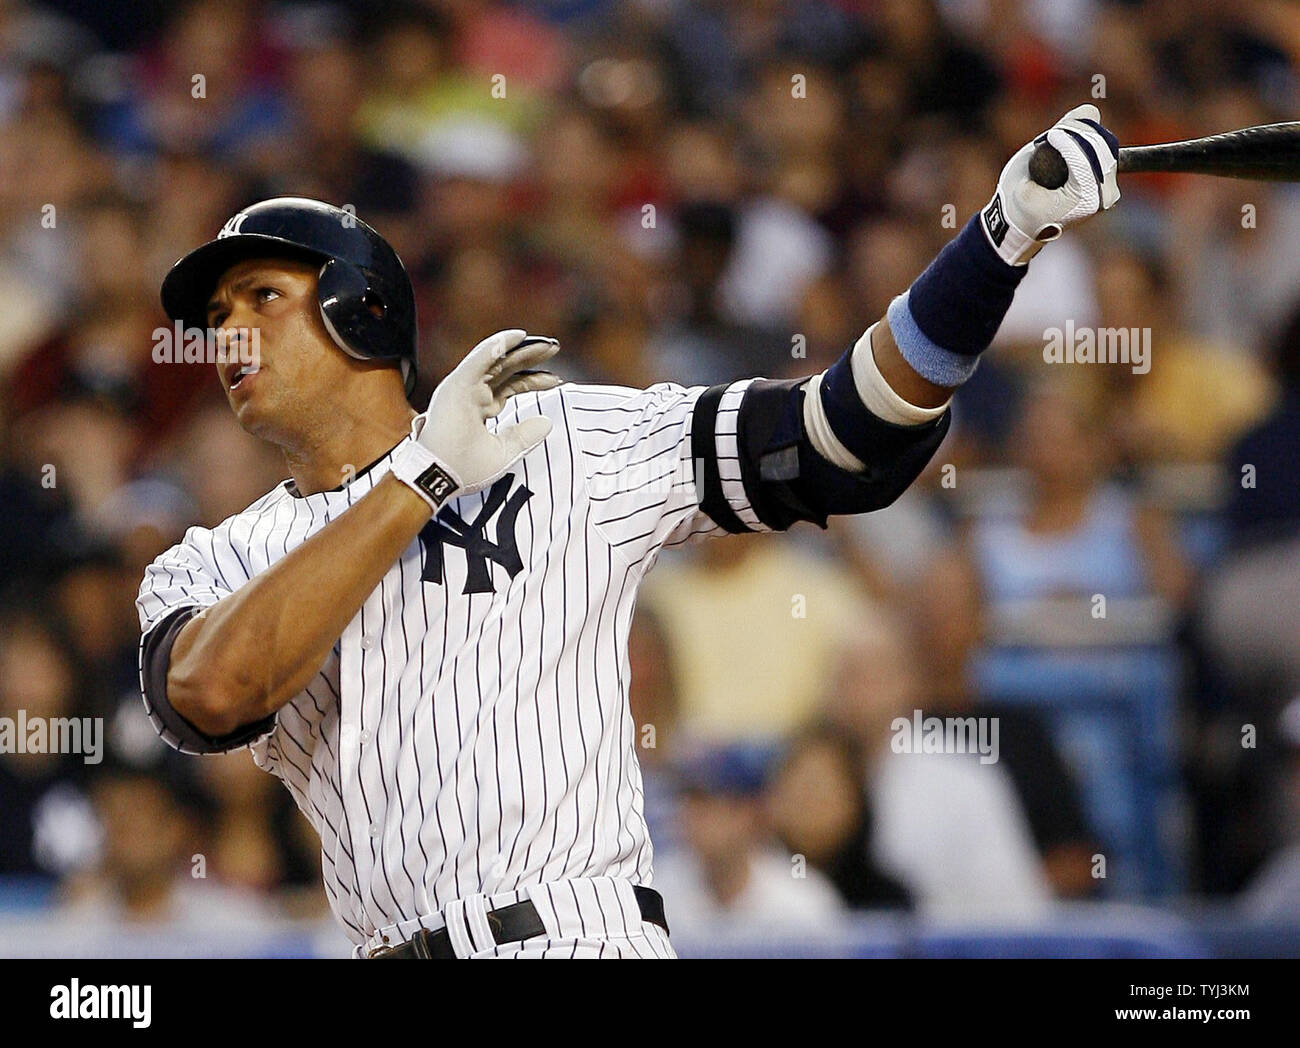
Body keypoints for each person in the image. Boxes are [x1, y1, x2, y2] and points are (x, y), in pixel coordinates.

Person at [135, 106, 1121, 958]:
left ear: (363, 309)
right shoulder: (214, 557)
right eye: (216, 315)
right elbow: (214, 694)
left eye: (261, 299)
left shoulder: (555, 433)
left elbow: (843, 436)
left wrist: (997, 240)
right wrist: (421, 476)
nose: (228, 333)